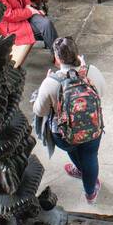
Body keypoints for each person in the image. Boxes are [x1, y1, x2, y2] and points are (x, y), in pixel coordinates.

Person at [33, 37, 105, 203]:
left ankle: (80, 169)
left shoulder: (51, 82)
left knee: (72, 149)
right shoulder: (91, 71)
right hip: (92, 128)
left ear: (57, 59)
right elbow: (102, 92)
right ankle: (90, 193)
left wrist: (46, 82)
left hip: (64, 134)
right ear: (77, 54)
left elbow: (39, 110)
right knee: (90, 156)